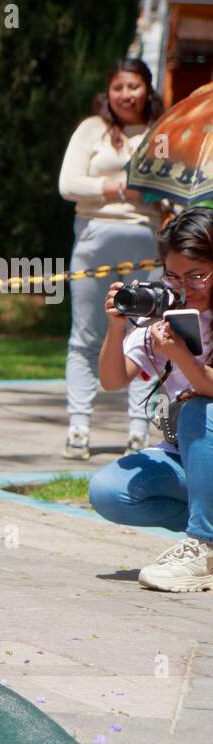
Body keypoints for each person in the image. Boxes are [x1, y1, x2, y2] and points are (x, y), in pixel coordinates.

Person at [89, 208, 213, 592]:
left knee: (197, 410)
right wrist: (115, 324)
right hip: (188, 452)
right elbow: (111, 380)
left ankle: (204, 548)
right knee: (110, 491)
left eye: (198, 276)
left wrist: (179, 355)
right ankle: (204, 531)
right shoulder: (165, 312)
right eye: (173, 276)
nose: (186, 288)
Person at [58, 59, 165, 460]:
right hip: (93, 238)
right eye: (119, 86)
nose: (126, 95)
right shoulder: (92, 129)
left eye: (134, 86)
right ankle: (79, 427)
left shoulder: (162, 132)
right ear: (109, 91)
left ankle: (139, 428)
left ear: (146, 89)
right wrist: (121, 189)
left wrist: (146, 194)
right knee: (85, 335)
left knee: (145, 335)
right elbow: (69, 184)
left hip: (146, 243)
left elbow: (172, 188)